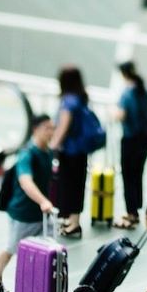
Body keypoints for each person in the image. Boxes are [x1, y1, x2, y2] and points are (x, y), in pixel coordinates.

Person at [0, 114, 59, 290]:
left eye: (52, 128)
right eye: (47, 128)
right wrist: (43, 201)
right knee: (11, 249)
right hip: (23, 213)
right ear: (36, 129)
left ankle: (42, 288)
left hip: (41, 214)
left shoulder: (48, 152)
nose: (51, 132)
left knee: (46, 250)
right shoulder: (27, 154)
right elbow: (26, 182)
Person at [47, 66, 100, 240]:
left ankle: (71, 223)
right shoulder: (80, 98)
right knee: (77, 186)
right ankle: (73, 221)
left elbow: (63, 126)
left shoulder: (68, 101)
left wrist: (53, 144)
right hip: (81, 151)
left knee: (67, 186)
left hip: (69, 151)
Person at [111, 61, 147, 230]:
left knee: (128, 176)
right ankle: (137, 209)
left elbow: (121, 115)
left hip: (131, 139)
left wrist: (112, 114)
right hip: (145, 139)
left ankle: (131, 213)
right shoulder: (144, 89)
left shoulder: (127, 94)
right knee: (138, 173)